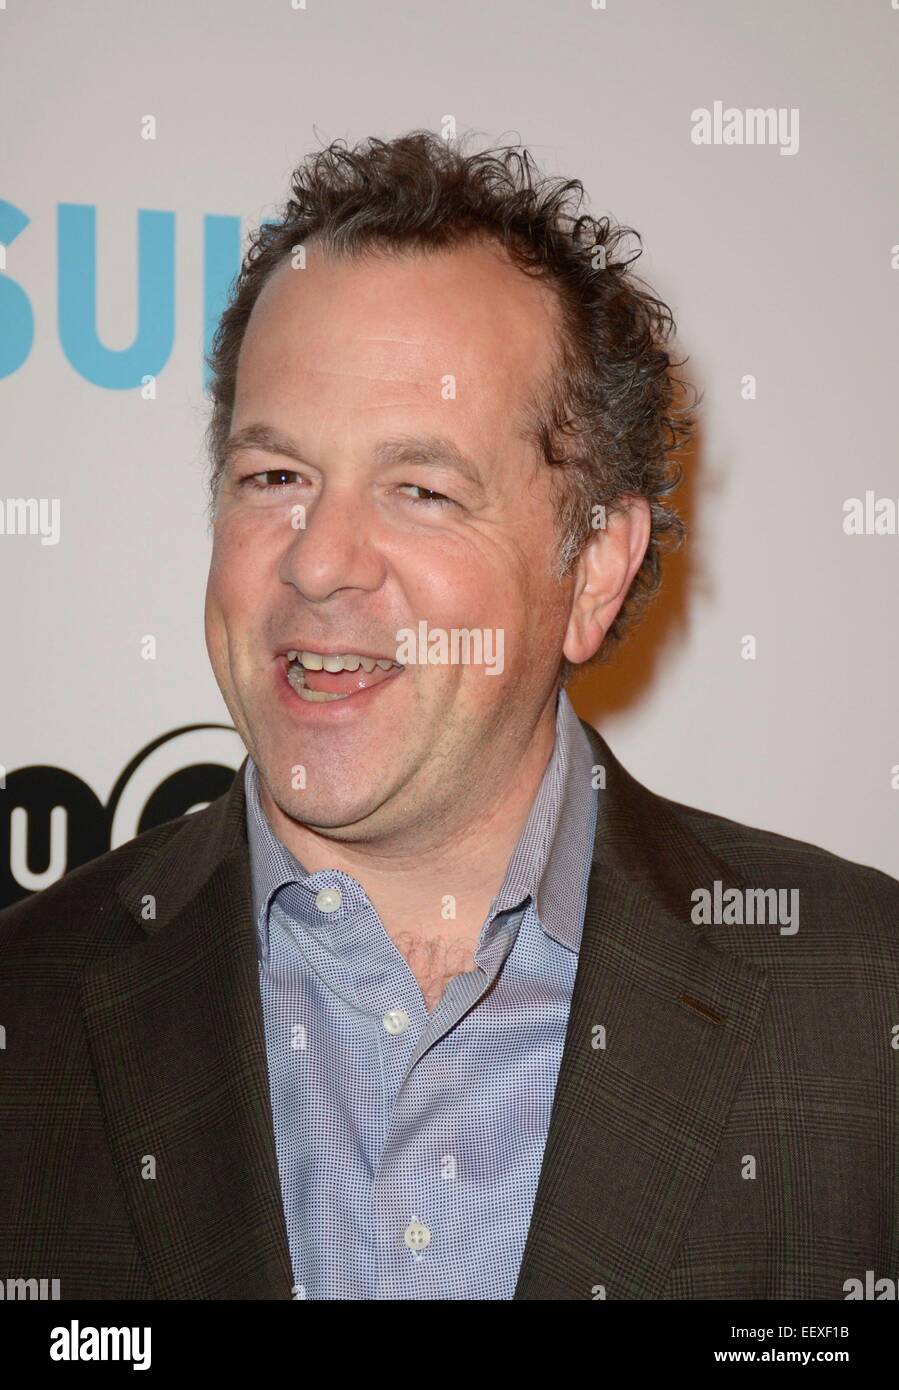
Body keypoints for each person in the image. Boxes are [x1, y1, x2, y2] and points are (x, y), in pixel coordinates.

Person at [1, 131, 896, 1301]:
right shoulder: (25, 1010)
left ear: (590, 569)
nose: (317, 561)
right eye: (272, 476)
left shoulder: (860, 1009)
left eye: (420, 490)